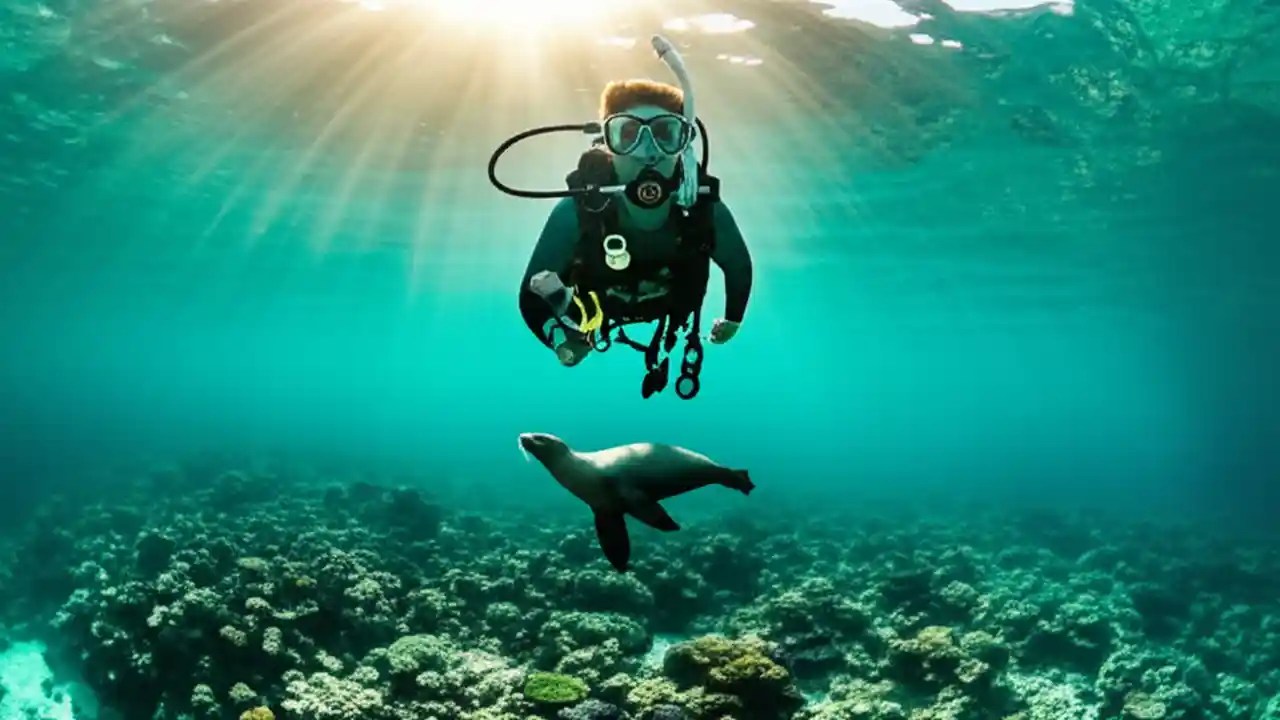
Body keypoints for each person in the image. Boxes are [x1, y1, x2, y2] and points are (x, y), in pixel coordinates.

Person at [489, 35, 752, 399]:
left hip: (671, 307)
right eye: (628, 134)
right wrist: (559, 341)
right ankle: (568, 308)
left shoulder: (707, 213)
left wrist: (734, 317)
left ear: (684, 145)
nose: (647, 151)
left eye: (665, 134)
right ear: (607, 145)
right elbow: (529, 294)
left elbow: (738, 267)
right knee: (552, 291)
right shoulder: (576, 213)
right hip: (596, 310)